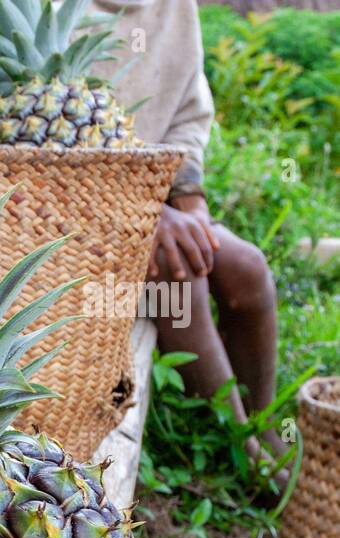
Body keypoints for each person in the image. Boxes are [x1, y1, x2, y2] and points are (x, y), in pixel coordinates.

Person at [94, 0, 288, 465]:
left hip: (161, 198)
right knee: (178, 276)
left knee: (247, 269)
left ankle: (265, 423)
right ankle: (244, 454)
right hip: (81, 212)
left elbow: (186, 114)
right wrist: (143, 214)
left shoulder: (174, 7)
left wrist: (191, 203)